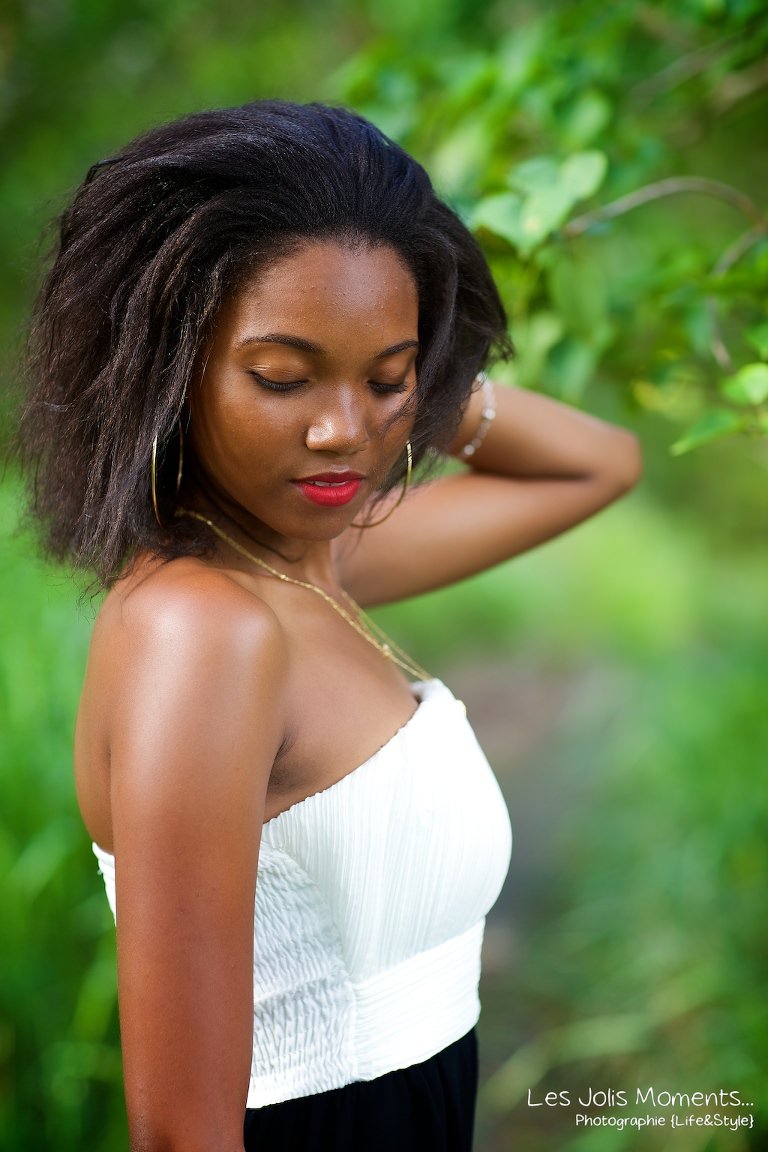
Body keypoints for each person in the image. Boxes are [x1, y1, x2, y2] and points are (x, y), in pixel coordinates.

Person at [18, 100, 641, 1152]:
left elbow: (599, 464)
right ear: (168, 362)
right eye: (282, 376)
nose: (341, 432)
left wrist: (414, 371)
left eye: (385, 380)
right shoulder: (201, 631)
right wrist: (374, 367)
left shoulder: (309, 559)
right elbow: (181, 1133)